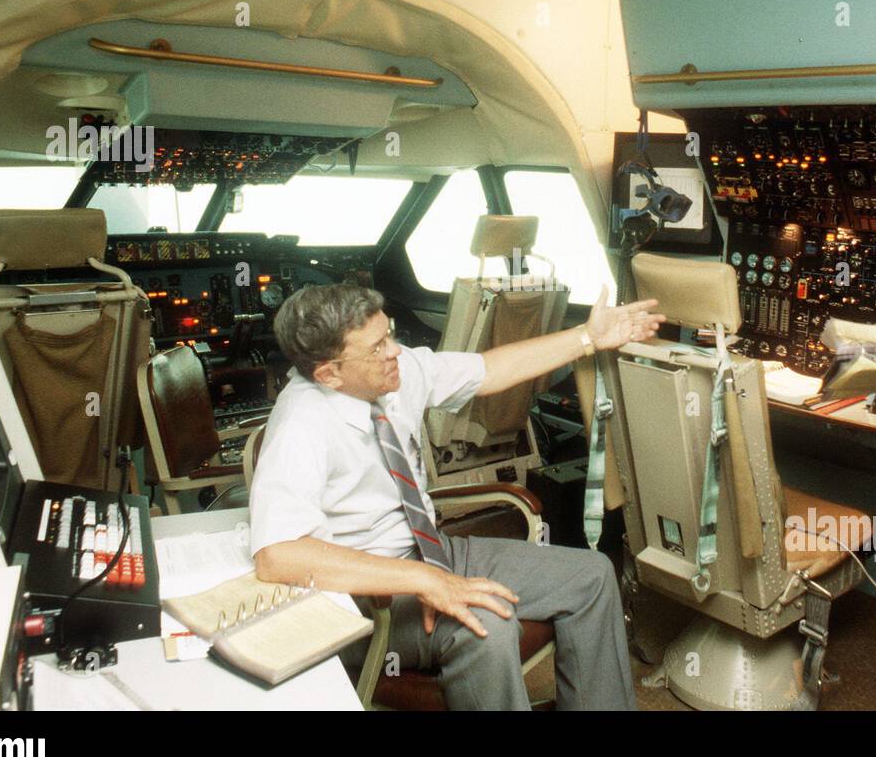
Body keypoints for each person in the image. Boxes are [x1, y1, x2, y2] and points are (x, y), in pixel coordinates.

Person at [249, 281, 664, 710]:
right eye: (376, 348)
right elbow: (278, 556)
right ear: (328, 373)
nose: (393, 351)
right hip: (365, 598)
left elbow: (487, 370)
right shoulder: (300, 426)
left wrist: (587, 338)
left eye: (388, 333)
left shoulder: (393, 369)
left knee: (591, 576)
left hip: (431, 552)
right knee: (486, 624)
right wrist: (423, 580)